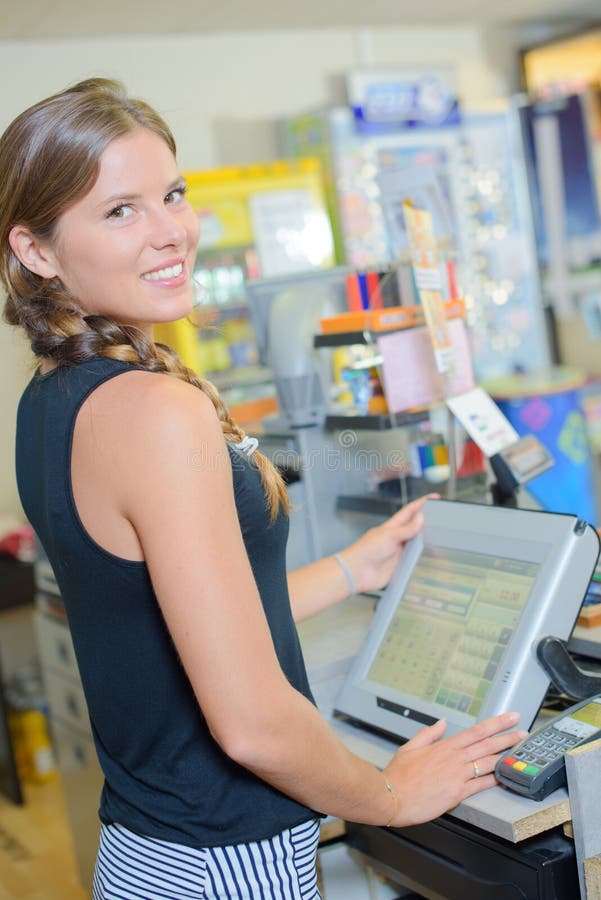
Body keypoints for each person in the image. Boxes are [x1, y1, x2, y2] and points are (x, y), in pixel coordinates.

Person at [0, 78, 524, 900]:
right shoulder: (154, 410)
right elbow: (250, 724)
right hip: (223, 863)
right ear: (36, 250)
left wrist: (351, 569)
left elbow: (174, 617)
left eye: (173, 195)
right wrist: (390, 796)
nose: (171, 231)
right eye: (121, 210)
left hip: (148, 854)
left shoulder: (51, 398)